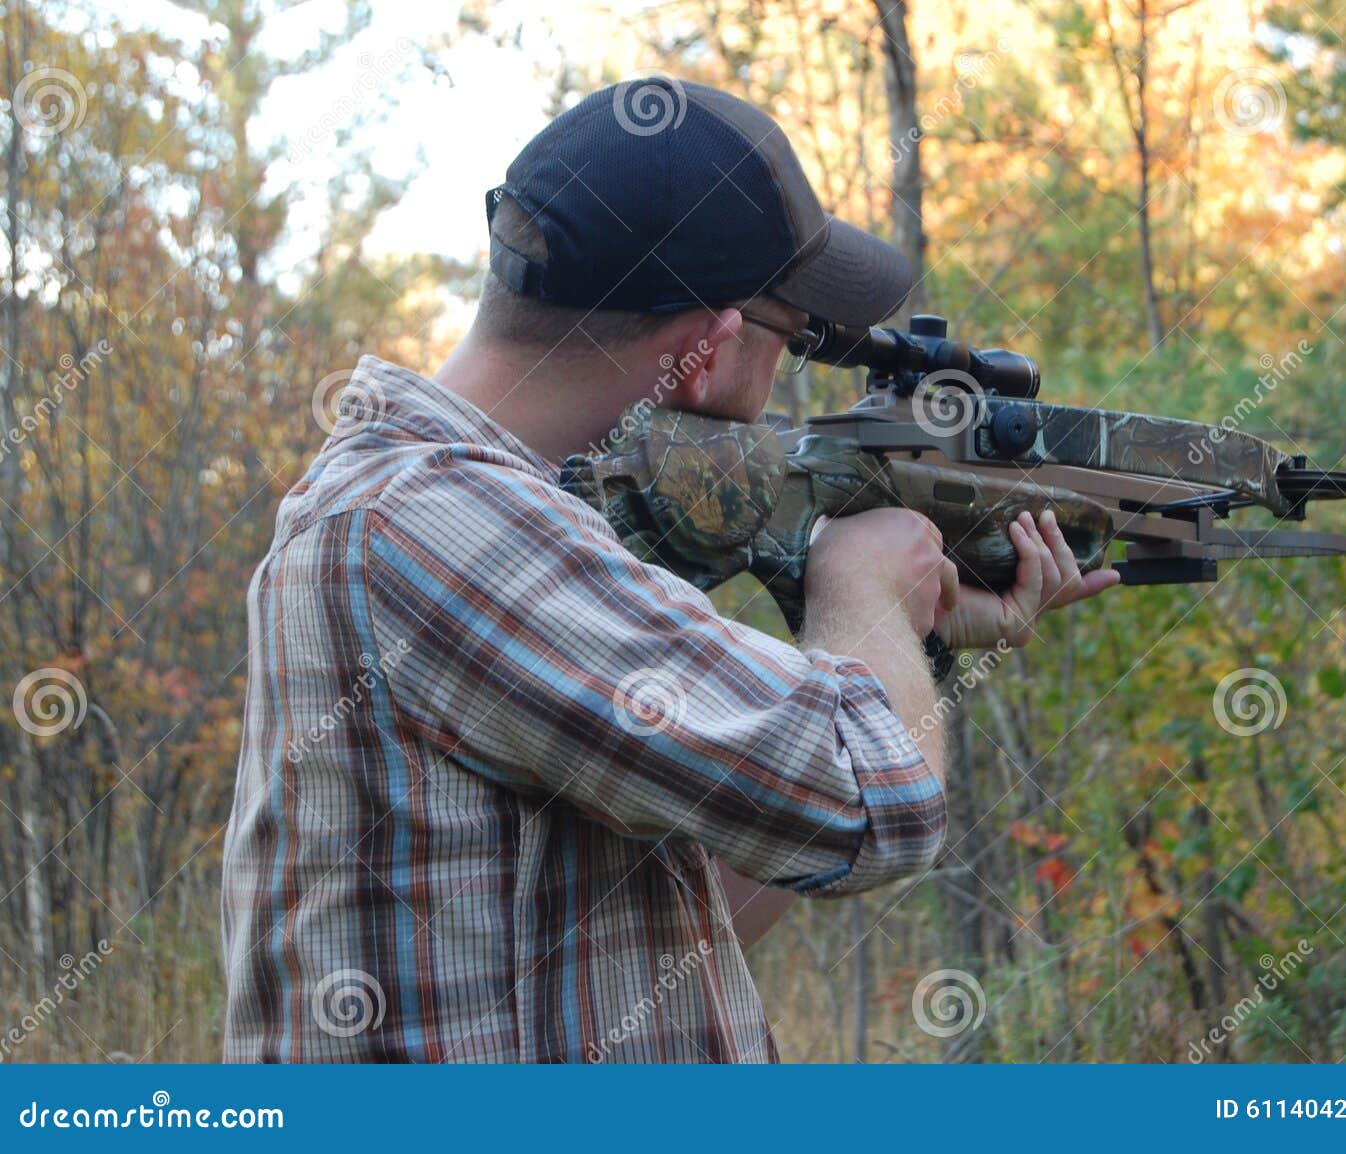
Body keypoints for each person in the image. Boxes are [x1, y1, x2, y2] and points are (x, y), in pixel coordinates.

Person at [220, 78, 1118, 1063]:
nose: (788, 372)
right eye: (796, 339)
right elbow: (878, 813)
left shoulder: (438, 511)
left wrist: (913, 644)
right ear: (705, 351)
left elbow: (690, 921)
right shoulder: (441, 528)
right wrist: (857, 591)